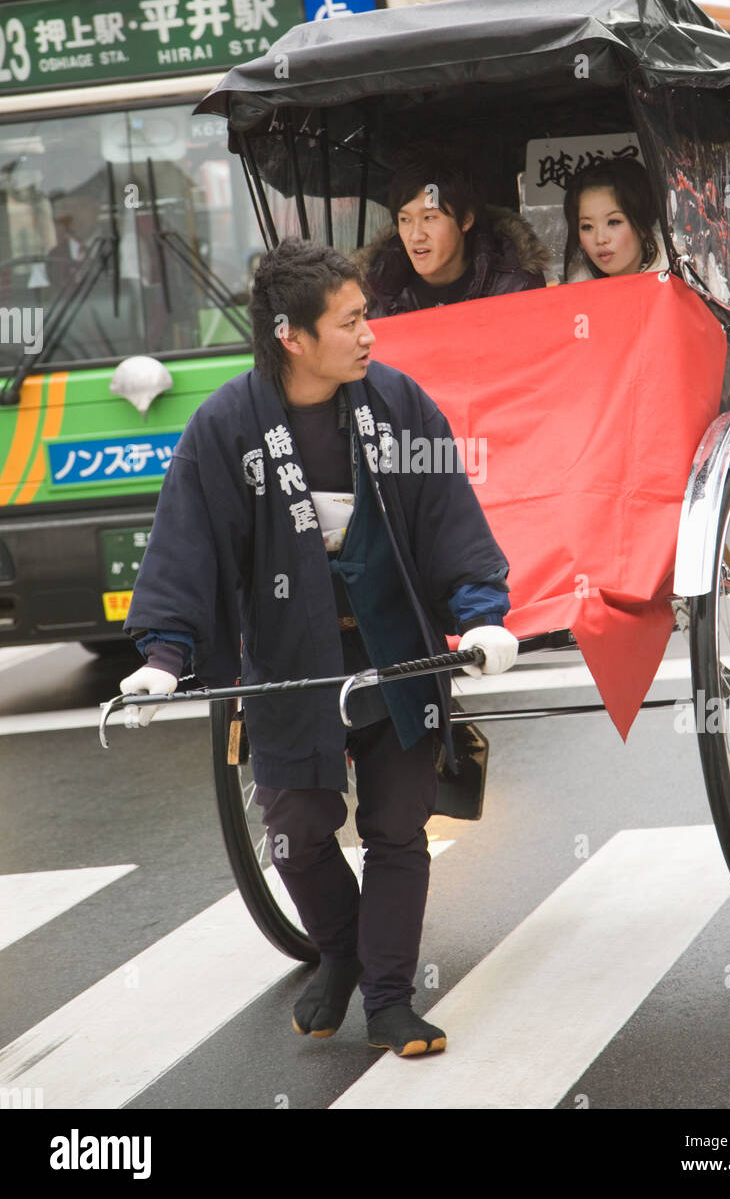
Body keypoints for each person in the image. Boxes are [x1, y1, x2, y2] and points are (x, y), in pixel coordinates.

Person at [119, 237, 519, 1058]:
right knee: (297, 833)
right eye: (349, 321)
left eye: (366, 314)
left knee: (397, 828)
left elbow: (450, 517)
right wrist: (163, 658)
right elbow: (186, 547)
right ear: (292, 337)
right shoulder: (226, 427)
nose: (368, 334)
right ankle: (339, 950)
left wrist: (480, 615)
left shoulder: (400, 405)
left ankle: (391, 998)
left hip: (395, 651)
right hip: (291, 661)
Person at [356, 151, 550, 315]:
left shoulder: (515, 286)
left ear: (465, 219)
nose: (415, 235)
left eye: (429, 218)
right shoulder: (371, 292)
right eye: (405, 220)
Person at [562, 157, 663, 282]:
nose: (600, 239)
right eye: (587, 226)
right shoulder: (574, 298)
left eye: (614, 222)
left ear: (643, 224)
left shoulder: (680, 294)